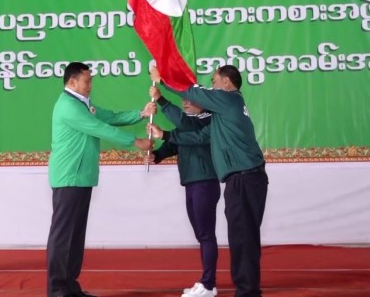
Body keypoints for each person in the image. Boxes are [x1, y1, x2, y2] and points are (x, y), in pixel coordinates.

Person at [148, 65, 268, 297]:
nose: (212, 87)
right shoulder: (223, 114)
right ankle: (248, 290)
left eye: (214, 82)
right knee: (243, 237)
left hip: (244, 177)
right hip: (244, 179)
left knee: (242, 237)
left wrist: (162, 80)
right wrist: (164, 140)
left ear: (226, 82)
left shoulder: (228, 99)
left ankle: (245, 292)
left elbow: (193, 94)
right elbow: (197, 136)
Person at [47, 62, 156, 297]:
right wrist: (135, 142)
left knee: (75, 237)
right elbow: (100, 128)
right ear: (72, 82)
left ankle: (70, 287)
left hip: (81, 177)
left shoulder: (83, 104)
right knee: (64, 236)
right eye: (87, 81)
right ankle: (57, 290)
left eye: (91, 80)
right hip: (69, 178)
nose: (90, 85)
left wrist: (141, 113)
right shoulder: (68, 106)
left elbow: (109, 117)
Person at [149, 86, 219, 297]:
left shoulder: (210, 121)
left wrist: (161, 100)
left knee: (206, 235)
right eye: (183, 100)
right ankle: (208, 283)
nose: (185, 103)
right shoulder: (189, 123)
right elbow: (176, 143)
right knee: (201, 235)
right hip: (191, 183)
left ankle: (208, 284)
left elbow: (186, 133)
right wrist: (157, 155)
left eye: (189, 100)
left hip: (205, 183)